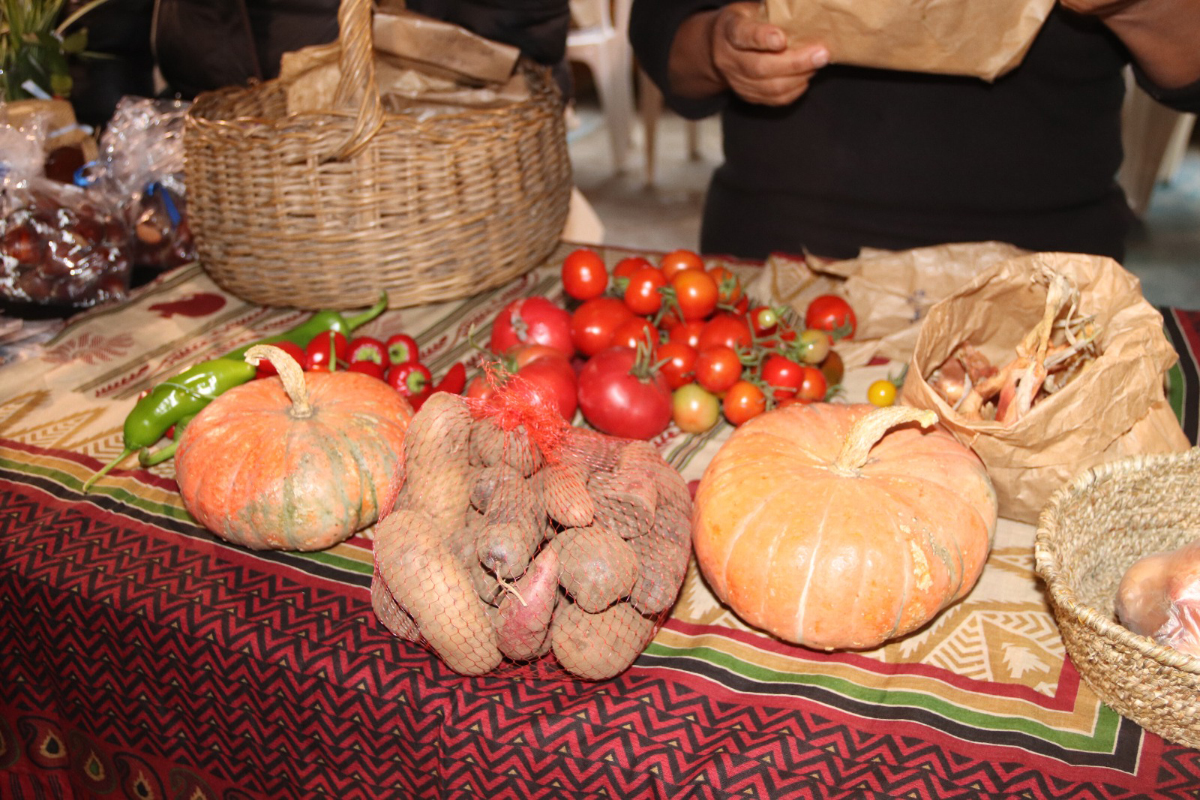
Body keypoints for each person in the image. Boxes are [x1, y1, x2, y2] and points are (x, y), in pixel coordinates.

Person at [629, 0, 1200, 262]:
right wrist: (718, 48)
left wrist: (1138, 7)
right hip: (786, 266)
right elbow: (661, 30)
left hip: (1048, 272)